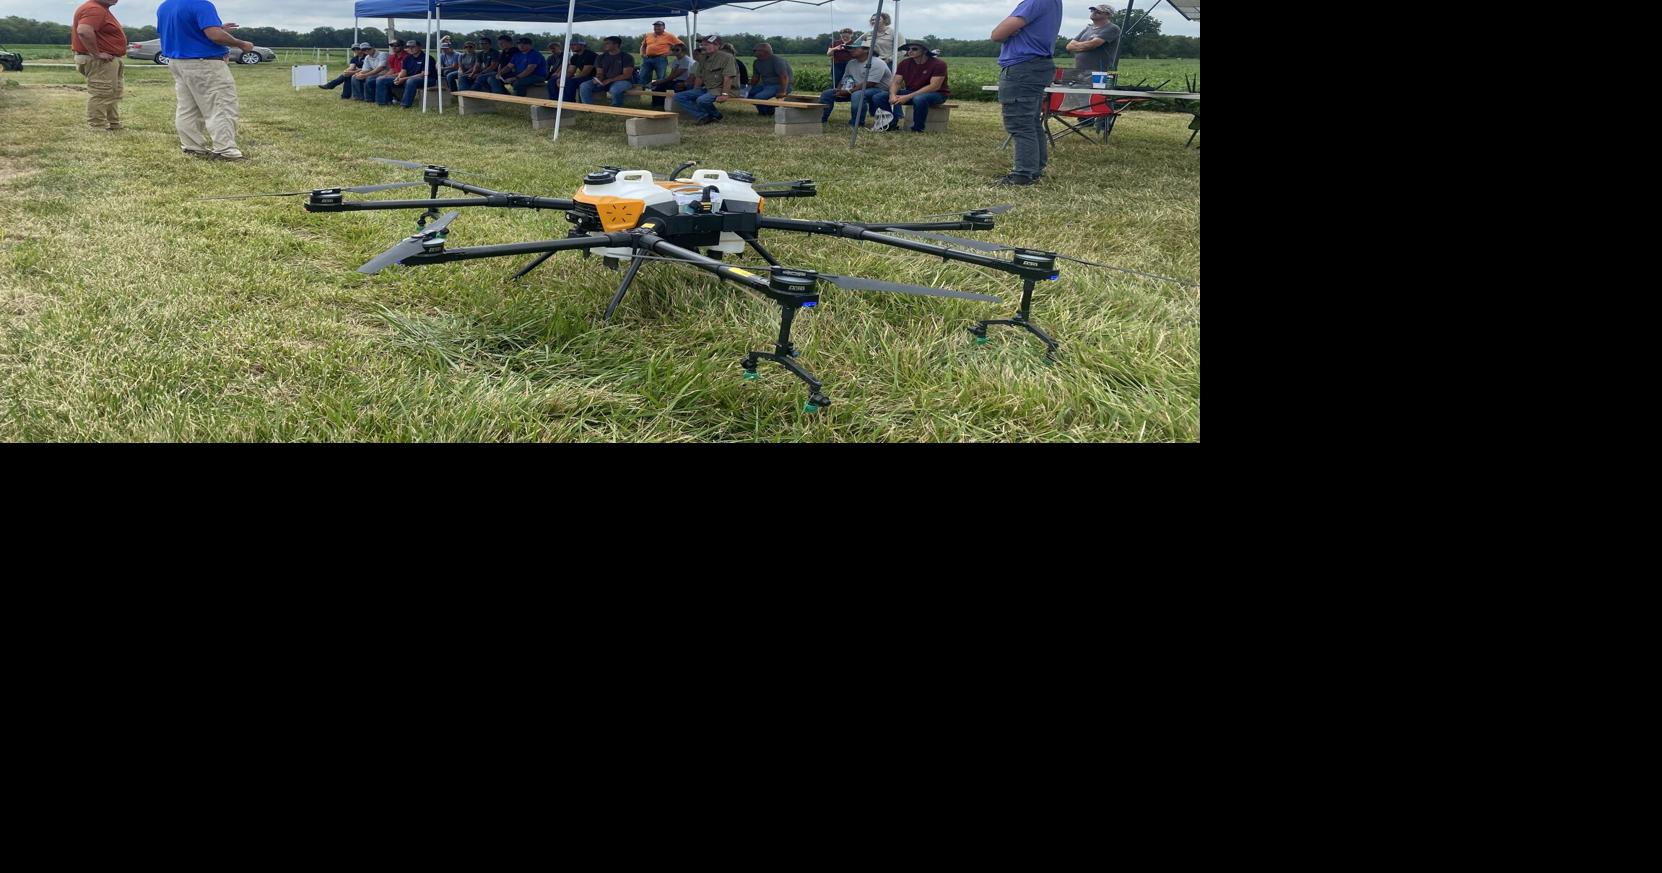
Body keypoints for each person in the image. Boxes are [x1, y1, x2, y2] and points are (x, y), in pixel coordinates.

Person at [156, 0, 253, 160]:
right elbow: (215, 36)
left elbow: (182, 31)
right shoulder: (201, 4)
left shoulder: (166, 6)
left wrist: (220, 28)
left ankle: (192, 147)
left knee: (188, 107)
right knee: (220, 105)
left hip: (178, 61)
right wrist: (241, 44)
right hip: (204, 63)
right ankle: (225, 151)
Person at [992, 0, 1062, 186]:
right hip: (1038, 65)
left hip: (1022, 66)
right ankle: (1034, 169)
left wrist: (1009, 31)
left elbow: (997, 34)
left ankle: (1022, 175)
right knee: (1031, 121)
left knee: (1020, 123)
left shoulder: (1035, 1)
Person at [72, 0, 127, 132]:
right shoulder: (94, 9)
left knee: (112, 92)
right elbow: (84, 31)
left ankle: (113, 123)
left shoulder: (100, 9)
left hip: (108, 59)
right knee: (101, 93)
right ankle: (97, 127)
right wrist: (96, 53)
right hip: (99, 61)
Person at [873, 42, 948, 132]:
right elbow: (896, 82)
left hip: (937, 94)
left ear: (924, 51)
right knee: (879, 97)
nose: (910, 51)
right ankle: (890, 124)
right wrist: (892, 94)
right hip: (912, 91)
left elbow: (934, 86)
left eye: (914, 49)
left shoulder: (939, 64)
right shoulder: (905, 63)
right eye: (908, 49)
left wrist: (908, 97)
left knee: (919, 99)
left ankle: (917, 129)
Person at [817, 38, 888, 128]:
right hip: (857, 89)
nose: (851, 50)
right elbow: (845, 79)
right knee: (827, 93)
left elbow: (870, 83)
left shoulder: (878, 63)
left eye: (855, 48)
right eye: (850, 48)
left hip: (879, 90)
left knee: (857, 95)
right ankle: (821, 119)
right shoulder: (851, 63)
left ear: (866, 50)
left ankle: (857, 124)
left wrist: (849, 91)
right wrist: (839, 90)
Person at [674, 35, 739, 126]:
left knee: (702, 100)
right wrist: (695, 90)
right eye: (703, 45)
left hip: (723, 88)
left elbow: (728, 77)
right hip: (708, 88)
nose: (704, 47)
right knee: (678, 97)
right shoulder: (703, 58)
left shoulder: (727, 57)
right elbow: (699, 76)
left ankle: (716, 115)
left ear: (717, 45)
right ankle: (704, 116)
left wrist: (725, 94)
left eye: (708, 44)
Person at [580, 36, 635, 106]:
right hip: (605, 81)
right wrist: (598, 79)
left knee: (615, 89)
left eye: (607, 43)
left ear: (616, 45)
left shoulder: (627, 57)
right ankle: (588, 107)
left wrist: (610, 80)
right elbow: (599, 72)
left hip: (623, 81)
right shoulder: (600, 57)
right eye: (605, 43)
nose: (604, 45)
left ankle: (616, 107)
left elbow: (627, 75)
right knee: (584, 85)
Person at [385, 39, 435, 109]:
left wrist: (404, 79)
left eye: (413, 47)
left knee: (411, 81)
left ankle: (405, 105)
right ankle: (383, 102)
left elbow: (423, 74)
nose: (410, 49)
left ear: (420, 47)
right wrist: (398, 77)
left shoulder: (428, 58)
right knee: (384, 80)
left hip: (428, 79)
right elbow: (403, 72)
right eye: (408, 47)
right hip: (410, 78)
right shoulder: (407, 58)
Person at [747, 43, 791, 115]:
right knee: (749, 95)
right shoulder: (756, 62)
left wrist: (783, 91)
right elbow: (755, 77)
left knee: (759, 97)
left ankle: (764, 113)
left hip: (781, 85)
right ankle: (769, 109)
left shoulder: (777, 60)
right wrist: (749, 87)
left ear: (764, 51)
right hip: (766, 85)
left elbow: (784, 76)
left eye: (755, 50)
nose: (753, 52)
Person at [647, 42, 691, 109]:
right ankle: (657, 105)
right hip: (676, 80)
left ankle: (668, 106)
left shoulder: (687, 61)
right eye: (673, 49)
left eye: (677, 50)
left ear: (684, 51)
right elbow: (671, 75)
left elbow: (674, 76)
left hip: (686, 81)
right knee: (658, 86)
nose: (674, 51)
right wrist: (661, 81)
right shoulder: (676, 61)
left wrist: (660, 81)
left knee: (665, 85)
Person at [636, 20, 682, 85]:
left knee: (661, 77)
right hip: (647, 58)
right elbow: (643, 46)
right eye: (655, 26)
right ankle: (642, 91)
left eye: (659, 26)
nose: (657, 27)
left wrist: (671, 53)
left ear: (664, 27)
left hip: (660, 59)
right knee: (643, 76)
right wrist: (642, 53)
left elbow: (681, 46)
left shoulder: (669, 36)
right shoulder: (648, 35)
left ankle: (659, 92)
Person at [559, 38, 597, 102]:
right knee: (554, 81)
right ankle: (555, 101)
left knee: (570, 82)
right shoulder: (574, 57)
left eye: (574, 45)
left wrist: (572, 78)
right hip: (584, 77)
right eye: (571, 45)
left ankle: (569, 102)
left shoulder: (590, 55)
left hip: (594, 77)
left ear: (582, 45)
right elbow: (570, 71)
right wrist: (562, 78)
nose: (571, 46)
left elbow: (585, 72)